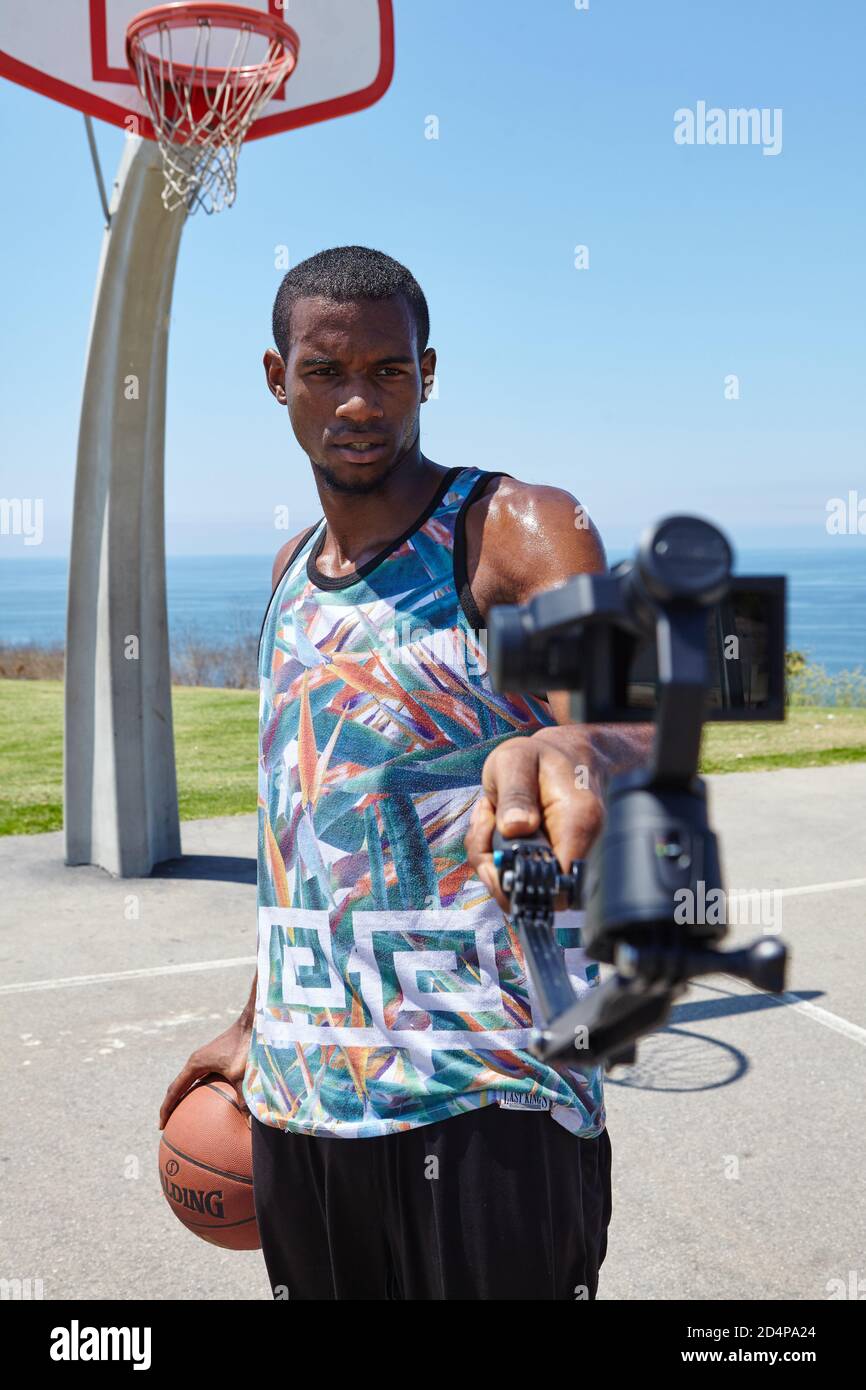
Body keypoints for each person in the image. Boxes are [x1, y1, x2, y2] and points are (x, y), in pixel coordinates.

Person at [159, 245, 652, 1300]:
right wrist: (254, 1023)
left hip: (491, 1091)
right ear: (273, 376)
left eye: (388, 372)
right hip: (305, 1100)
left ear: (426, 375)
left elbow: (628, 721)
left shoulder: (511, 528)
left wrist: (559, 747)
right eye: (323, 370)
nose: (357, 401)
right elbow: (304, 841)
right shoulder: (287, 576)